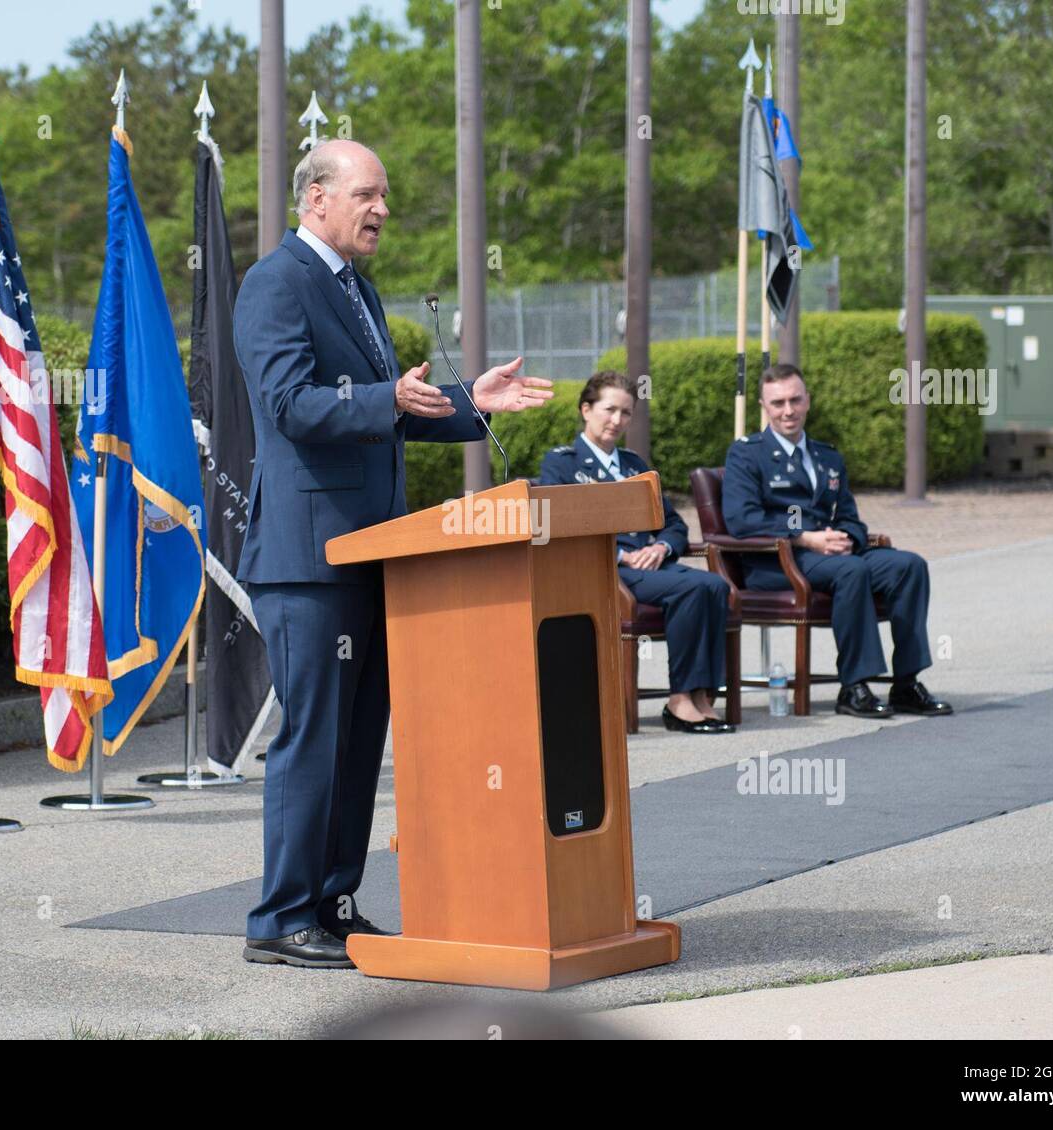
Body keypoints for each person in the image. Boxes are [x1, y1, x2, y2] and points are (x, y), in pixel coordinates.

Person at [231, 139, 553, 969]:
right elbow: (289, 402)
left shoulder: (358, 290)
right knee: (313, 736)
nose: (380, 209)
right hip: (309, 556)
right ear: (315, 199)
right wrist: (385, 397)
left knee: (357, 737)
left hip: (378, 552)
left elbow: (392, 409)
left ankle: (333, 904)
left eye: (385, 196)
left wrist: (466, 402)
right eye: (367, 194)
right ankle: (279, 918)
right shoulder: (277, 282)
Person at [721, 362, 953, 719]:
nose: (788, 411)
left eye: (795, 400)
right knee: (851, 571)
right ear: (764, 407)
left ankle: (906, 682)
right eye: (778, 403)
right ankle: (854, 686)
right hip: (778, 561)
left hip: (832, 553)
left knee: (909, 566)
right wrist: (806, 537)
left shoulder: (827, 456)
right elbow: (743, 520)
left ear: (808, 401)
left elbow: (848, 515)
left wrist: (846, 537)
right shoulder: (747, 454)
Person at [539, 371, 735, 734]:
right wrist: (620, 555)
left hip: (651, 566)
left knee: (715, 586)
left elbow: (673, 523)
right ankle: (681, 699)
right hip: (607, 571)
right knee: (692, 589)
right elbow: (560, 527)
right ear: (586, 409)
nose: (617, 421)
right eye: (609, 410)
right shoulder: (563, 464)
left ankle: (702, 695)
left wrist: (662, 545)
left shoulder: (635, 466)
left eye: (626, 413)